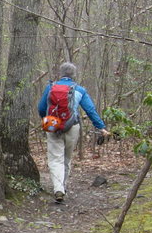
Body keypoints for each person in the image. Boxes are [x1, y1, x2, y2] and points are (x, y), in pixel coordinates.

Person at [38, 62, 110, 203]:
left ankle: (58, 188)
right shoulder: (79, 90)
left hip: (52, 124)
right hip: (72, 126)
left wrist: (47, 120)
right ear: (74, 75)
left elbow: (41, 108)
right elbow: (90, 110)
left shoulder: (50, 87)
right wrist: (101, 127)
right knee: (66, 158)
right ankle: (63, 187)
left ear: (60, 74)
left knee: (55, 158)